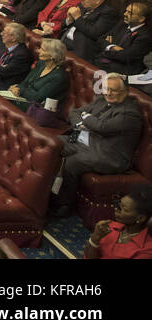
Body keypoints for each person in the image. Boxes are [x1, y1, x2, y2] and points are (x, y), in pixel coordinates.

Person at [51, 74, 143, 216]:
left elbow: (102, 127)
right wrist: (82, 122)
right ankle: (44, 193)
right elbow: (75, 112)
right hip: (84, 140)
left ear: (124, 92)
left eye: (113, 90)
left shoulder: (130, 113)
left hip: (109, 155)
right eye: (106, 89)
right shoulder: (101, 99)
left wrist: (86, 118)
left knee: (73, 162)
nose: (108, 93)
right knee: (52, 144)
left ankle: (63, 204)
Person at [10, 38, 69, 126]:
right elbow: (25, 82)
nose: (39, 51)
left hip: (38, 109)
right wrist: (16, 87)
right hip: (24, 100)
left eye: (43, 50)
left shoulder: (59, 77)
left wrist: (19, 90)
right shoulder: (41, 63)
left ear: (53, 55)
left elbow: (37, 97)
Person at [84, 187, 152, 259]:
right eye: (119, 205)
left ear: (140, 218)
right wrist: (95, 239)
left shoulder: (146, 250)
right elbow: (88, 256)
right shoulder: (110, 227)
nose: (117, 209)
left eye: (125, 209)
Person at [96, 1, 150, 75]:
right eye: (126, 11)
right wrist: (112, 46)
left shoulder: (144, 37)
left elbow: (125, 57)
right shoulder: (123, 24)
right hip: (106, 61)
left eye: (130, 13)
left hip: (123, 69)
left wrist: (107, 47)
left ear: (141, 19)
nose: (125, 14)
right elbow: (101, 40)